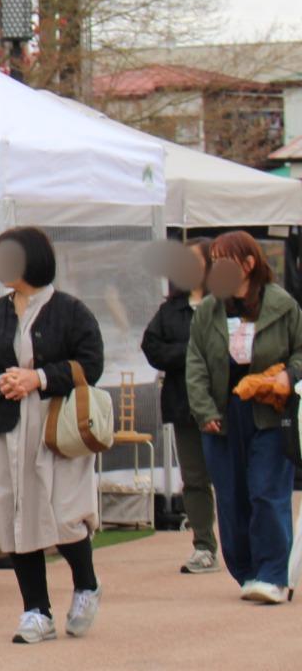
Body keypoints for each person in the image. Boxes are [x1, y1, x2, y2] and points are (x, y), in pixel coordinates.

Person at [0, 226, 104, 645]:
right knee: (15, 517)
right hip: (5, 429)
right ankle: (36, 611)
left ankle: (86, 584)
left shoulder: (71, 310)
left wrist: (38, 377)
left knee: (63, 513)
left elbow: (90, 365)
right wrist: (0, 381)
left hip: (55, 428)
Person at [185, 231, 302, 604]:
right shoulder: (209, 310)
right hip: (222, 415)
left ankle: (273, 575)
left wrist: (288, 376)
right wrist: (204, 411)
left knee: (267, 492)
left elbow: (301, 352)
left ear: (248, 264)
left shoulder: (283, 305)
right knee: (232, 498)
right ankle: (248, 572)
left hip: (271, 412)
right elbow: (196, 363)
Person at [140, 238, 220, 574]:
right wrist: (191, 352)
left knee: (234, 477)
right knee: (194, 478)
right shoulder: (171, 309)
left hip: (224, 403)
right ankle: (204, 545)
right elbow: (152, 347)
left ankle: (249, 544)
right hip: (182, 403)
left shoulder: (227, 304)